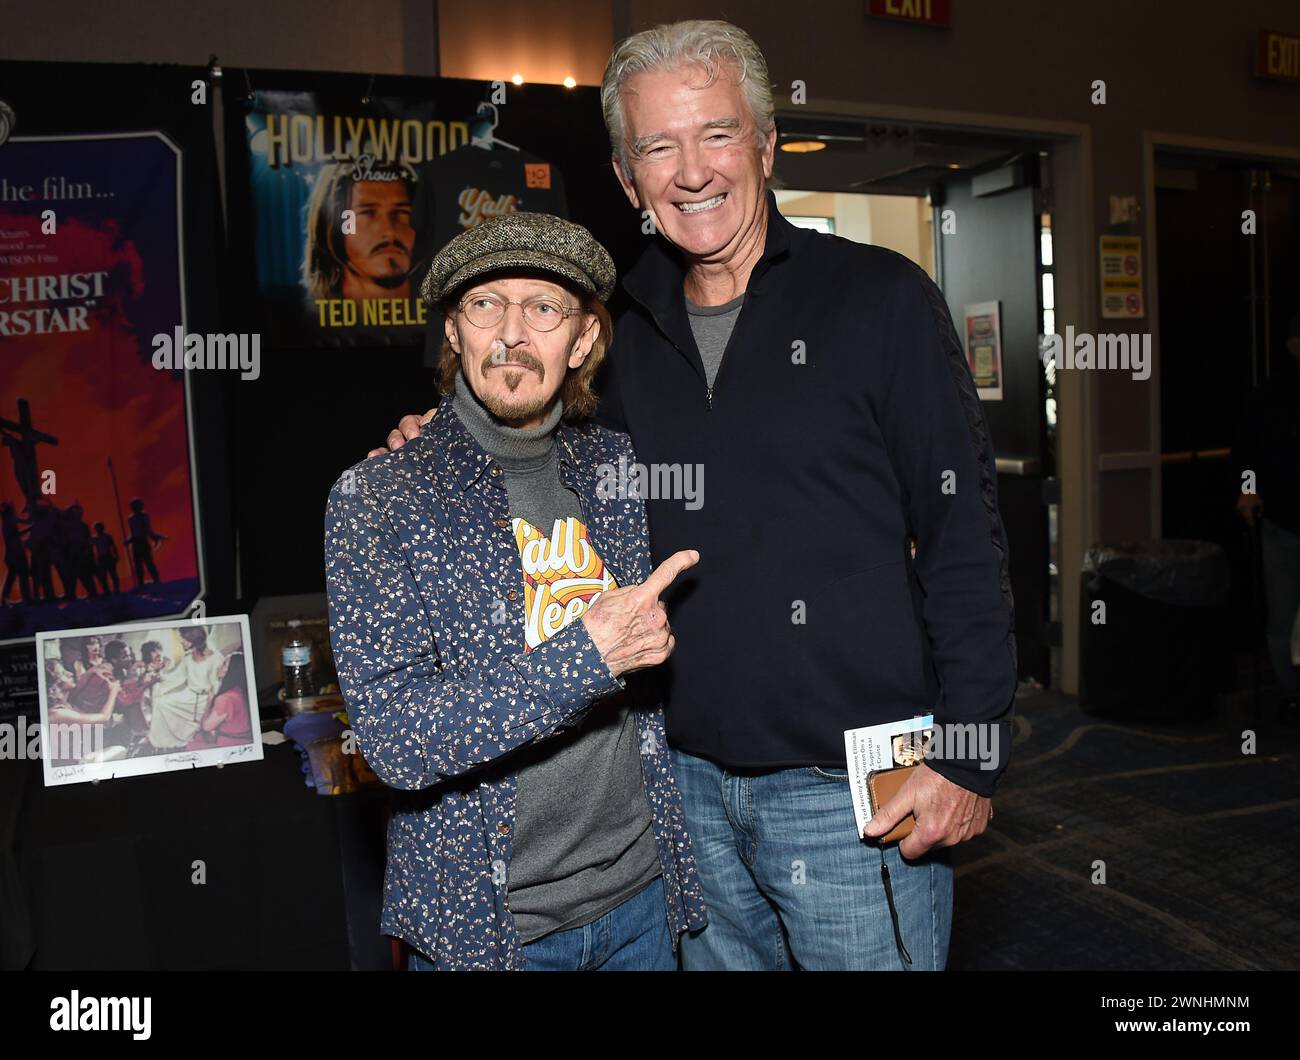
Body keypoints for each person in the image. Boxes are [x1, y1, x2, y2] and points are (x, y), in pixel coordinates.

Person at [376, 19, 1016, 971]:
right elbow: (540, 455)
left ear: (765, 144)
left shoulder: (880, 301)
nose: (691, 172)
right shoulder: (620, 332)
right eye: (657, 147)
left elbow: (965, 537)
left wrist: (968, 754)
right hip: (676, 799)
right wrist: (441, 445)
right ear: (627, 179)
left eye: (716, 134)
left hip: (855, 798)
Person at [325, 212, 707, 971]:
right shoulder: (381, 498)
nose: (510, 336)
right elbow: (397, 742)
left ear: (584, 341)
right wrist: (586, 659)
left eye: (543, 308)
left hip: (642, 899)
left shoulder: (617, 469)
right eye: (485, 305)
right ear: (454, 335)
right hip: (495, 929)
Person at [1232, 311, 1300, 725]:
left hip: (1282, 518)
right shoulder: (1272, 394)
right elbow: (1247, 450)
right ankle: (1290, 692)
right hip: (1282, 519)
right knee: (1282, 615)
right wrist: (1248, 490)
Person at [146, 626, 226, 750]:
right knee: (161, 702)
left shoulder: (215, 658)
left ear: (192, 639)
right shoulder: (188, 657)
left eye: (183, 639)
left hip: (205, 698)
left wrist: (210, 703)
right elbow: (177, 677)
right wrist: (159, 674)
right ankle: (160, 741)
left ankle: (186, 737)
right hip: (189, 694)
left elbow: (216, 685)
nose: (181, 641)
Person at [189, 652, 252, 749]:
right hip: (241, 740)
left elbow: (206, 726)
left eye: (224, 664)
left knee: (191, 744)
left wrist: (209, 700)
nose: (219, 666)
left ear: (232, 670)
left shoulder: (226, 698)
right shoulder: (239, 691)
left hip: (231, 743)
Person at [124, 498, 164, 587]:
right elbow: (133, 532)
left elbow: (147, 529)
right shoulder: (131, 518)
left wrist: (155, 536)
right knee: (138, 564)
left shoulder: (144, 516)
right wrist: (128, 540)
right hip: (136, 543)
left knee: (148, 561)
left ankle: (156, 580)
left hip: (142, 541)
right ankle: (140, 582)